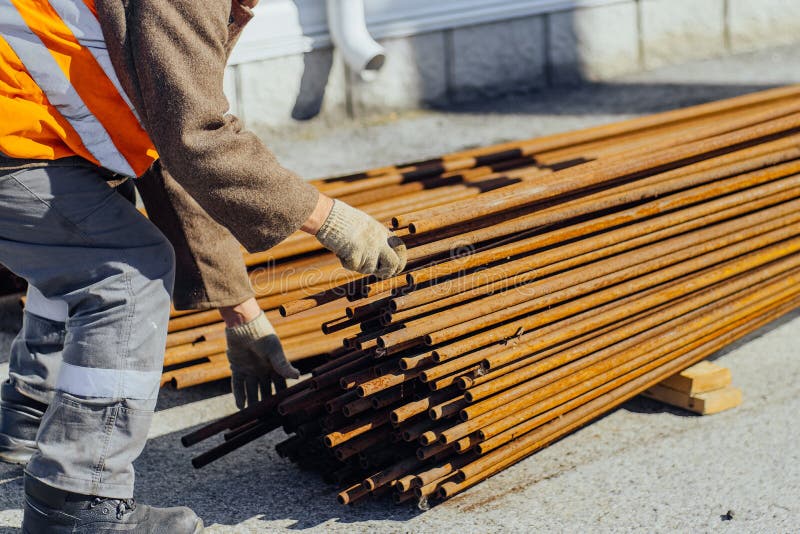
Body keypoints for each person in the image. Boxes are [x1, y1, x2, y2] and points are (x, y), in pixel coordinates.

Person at [0, 0, 407, 532]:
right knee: (126, 273)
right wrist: (329, 220)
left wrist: (242, 314)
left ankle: (26, 415)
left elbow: (168, 151)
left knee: (83, 247)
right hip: (15, 142)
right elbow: (196, 138)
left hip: (30, 133)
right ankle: (79, 502)